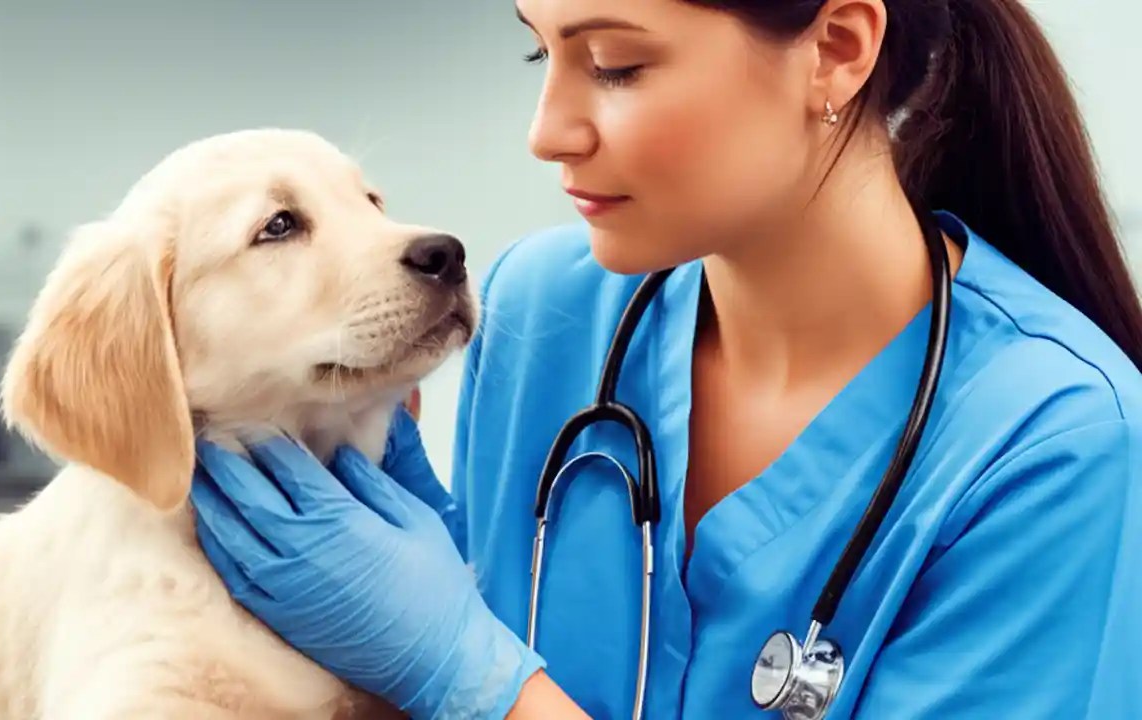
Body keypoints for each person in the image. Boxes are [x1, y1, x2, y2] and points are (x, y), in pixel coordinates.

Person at [189, 0, 1142, 717]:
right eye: (539, 50)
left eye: (614, 65)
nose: (547, 130)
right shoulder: (540, 311)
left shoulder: (1054, 444)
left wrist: (465, 675)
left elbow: (475, 669)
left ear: (838, 49)